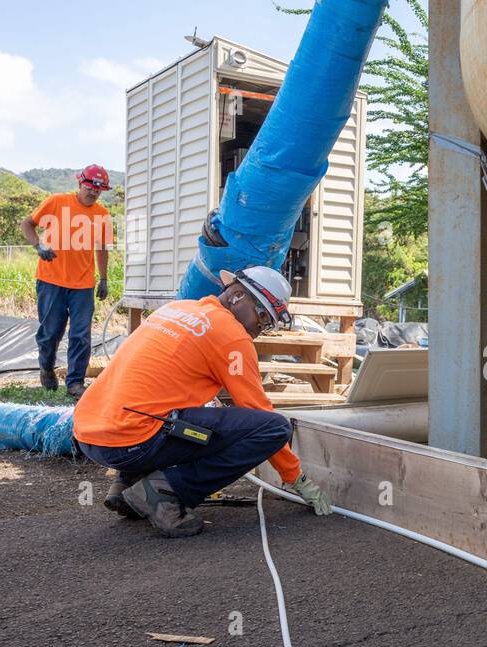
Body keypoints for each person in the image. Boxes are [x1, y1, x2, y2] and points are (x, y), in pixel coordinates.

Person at [71, 265, 331, 537]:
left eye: (267, 324)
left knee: (179, 417)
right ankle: (163, 493)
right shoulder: (232, 335)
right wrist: (295, 477)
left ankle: (128, 484)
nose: (260, 328)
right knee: (273, 429)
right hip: (130, 440)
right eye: (262, 316)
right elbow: (257, 411)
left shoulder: (179, 309)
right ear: (236, 296)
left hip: (91, 433)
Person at [19, 164, 114, 399]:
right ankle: (47, 367)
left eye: (98, 189)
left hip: (83, 284)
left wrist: (103, 279)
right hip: (51, 280)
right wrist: (38, 246)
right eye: (90, 186)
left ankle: (75, 383)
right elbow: (27, 224)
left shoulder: (102, 215)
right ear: (80, 183)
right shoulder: (57, 201)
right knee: (50, 331)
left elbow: (102, 248)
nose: (93, 192)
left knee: (81, 334)